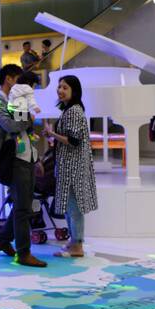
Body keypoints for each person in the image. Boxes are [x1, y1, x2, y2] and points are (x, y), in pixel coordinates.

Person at [0, 63, 46, 268]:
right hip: (12, 159)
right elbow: (12, 126)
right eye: (20, 81)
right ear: (9, 79)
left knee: (24, 204)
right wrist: (28, 119)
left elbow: (27, 132)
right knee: (22, 208)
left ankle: (3, 240)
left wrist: (36, 158)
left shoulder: (17, 101)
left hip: (26, 157)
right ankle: (23, 253)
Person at [44, 75, 97, 257]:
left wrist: (52, 133)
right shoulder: (69, 110)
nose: (60, 90)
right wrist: (52, 137)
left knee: (73, 208)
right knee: (70, 207)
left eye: (65, 87)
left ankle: (77, 245)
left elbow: (73, 141)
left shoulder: (73, 111)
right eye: (59, 87)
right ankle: (74, 241)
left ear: (74, 91)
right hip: (68, 165)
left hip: (73, 167)